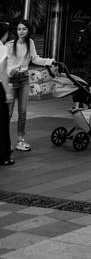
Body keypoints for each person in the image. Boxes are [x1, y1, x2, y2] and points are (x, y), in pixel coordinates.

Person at [6, 18, 54, 152]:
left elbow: (35, 59)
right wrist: (11, 71)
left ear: (28, 31)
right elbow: (4, 64)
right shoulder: (10, 45)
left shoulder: (30, 43)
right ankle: (5, 142)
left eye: (24, 29)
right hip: (11, 80)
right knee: (8, 113)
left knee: (22, 112)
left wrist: (50, 61)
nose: (21, 31)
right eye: (19, 29)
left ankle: (21, 140)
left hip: (25, 79)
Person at [0, 22, 14, 166]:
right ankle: (4, 156)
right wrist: (8, 92)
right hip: (0, 87)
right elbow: (2, 72)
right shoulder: (3, 48)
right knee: (2, 122)